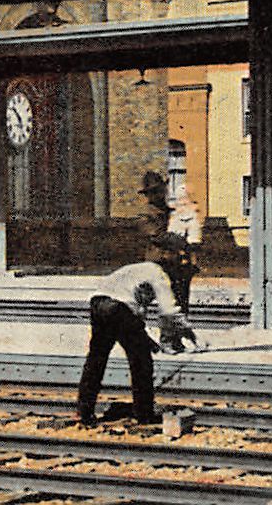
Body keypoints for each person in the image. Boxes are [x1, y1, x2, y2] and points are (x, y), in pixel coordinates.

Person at [76, 234, 198, 427]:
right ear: (167, 255)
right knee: (141, 362)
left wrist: (146, 339)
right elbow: (168, 310)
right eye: (178, 255)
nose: (181, 261)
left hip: (98, 303)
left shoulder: (135, 268)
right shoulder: (158, 273)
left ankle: (85, 412)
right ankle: (144, 414)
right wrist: (188, 330)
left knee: (97, 358)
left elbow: (132, 312)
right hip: (119, 308)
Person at [140, 169, 199, 321]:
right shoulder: (145, 215)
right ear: (147, 195)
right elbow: (158, 236)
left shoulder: (173, 211)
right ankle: (166, 340)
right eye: (153, 192)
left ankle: (176, 340)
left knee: (180, 303)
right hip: (159, 263)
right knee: (165, 303)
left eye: (160, 190)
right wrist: (183, 243)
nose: (159, 194)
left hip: (178, 263)